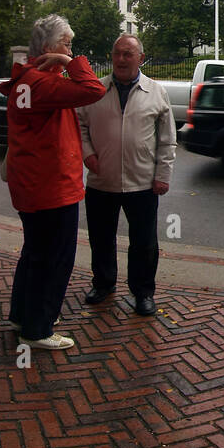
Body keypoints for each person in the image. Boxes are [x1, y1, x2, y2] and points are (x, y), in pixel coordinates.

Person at [3, 14, 104, 353]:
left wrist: (62, 62)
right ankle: (37, 327)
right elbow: (93, 89)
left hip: (33, 186)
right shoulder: (41, 84)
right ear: (48, 48)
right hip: (51, 187)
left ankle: (23, 316)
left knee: (34, 253)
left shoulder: (27, 82)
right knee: (54, 258)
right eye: (66, 43)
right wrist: (68, 62)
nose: (70, 50)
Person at [76, 33, 175, 317]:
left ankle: (143, 292)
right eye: (117, 53)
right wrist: (87, 154)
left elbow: (167, 139)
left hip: (142, 182)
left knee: (144, 243)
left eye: (127, 54)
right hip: (101, 180)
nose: (120, 59)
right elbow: (79, 124)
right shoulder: (94, 89)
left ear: (141, 58)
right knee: (101, 237)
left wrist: (163, 174)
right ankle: (103, 284)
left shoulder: (156, 92)